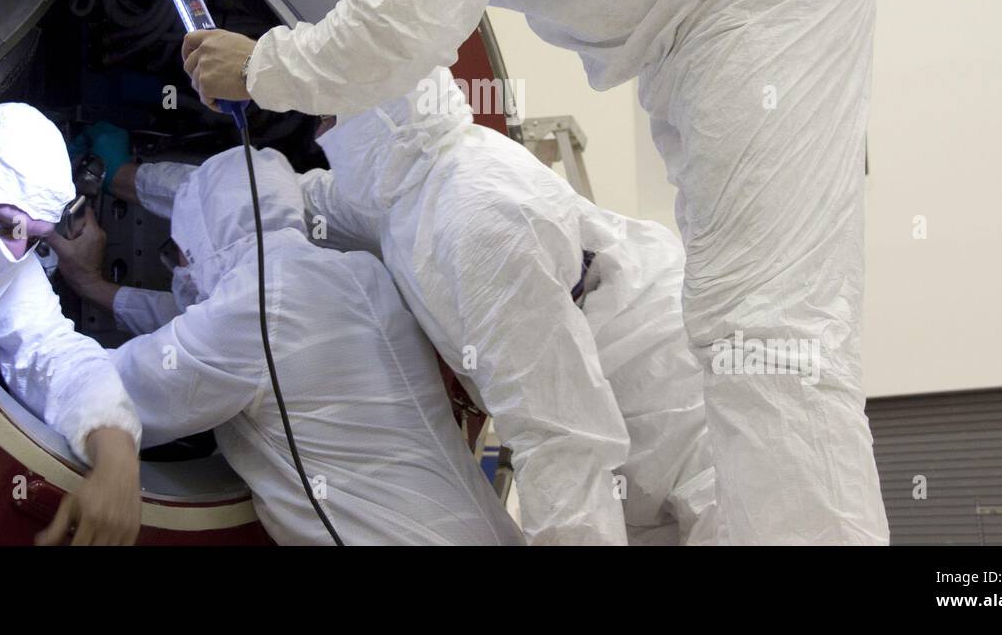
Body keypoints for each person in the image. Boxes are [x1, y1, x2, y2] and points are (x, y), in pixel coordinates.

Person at [180, 0, 887, 543]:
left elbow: (400, 27)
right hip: (704, 17)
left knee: (764, 329)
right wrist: (142, 183)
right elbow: (323, 189)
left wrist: (261, 67)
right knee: (751, 329)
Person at [302, 70, 718, 545]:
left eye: (323, 112)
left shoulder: (475, 214)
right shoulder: (411, 181)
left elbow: (560, 441)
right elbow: (315, 203)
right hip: (630, 429)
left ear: (368, 109)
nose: (317, 131)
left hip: (681, 420)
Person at [51, 145, 524, 546]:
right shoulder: (359, 273)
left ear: (198, 247)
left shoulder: (252, 311)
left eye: (176, 255)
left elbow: (115, 384)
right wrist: (95, 287)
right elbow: (215, 334)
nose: (178, 270)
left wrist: (22, 317)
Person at [0, 103, 142, 545]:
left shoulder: (9, 271)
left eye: (34, 237)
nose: (19, 253)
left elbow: (52, 350)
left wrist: (115, 447)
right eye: (5, 227)